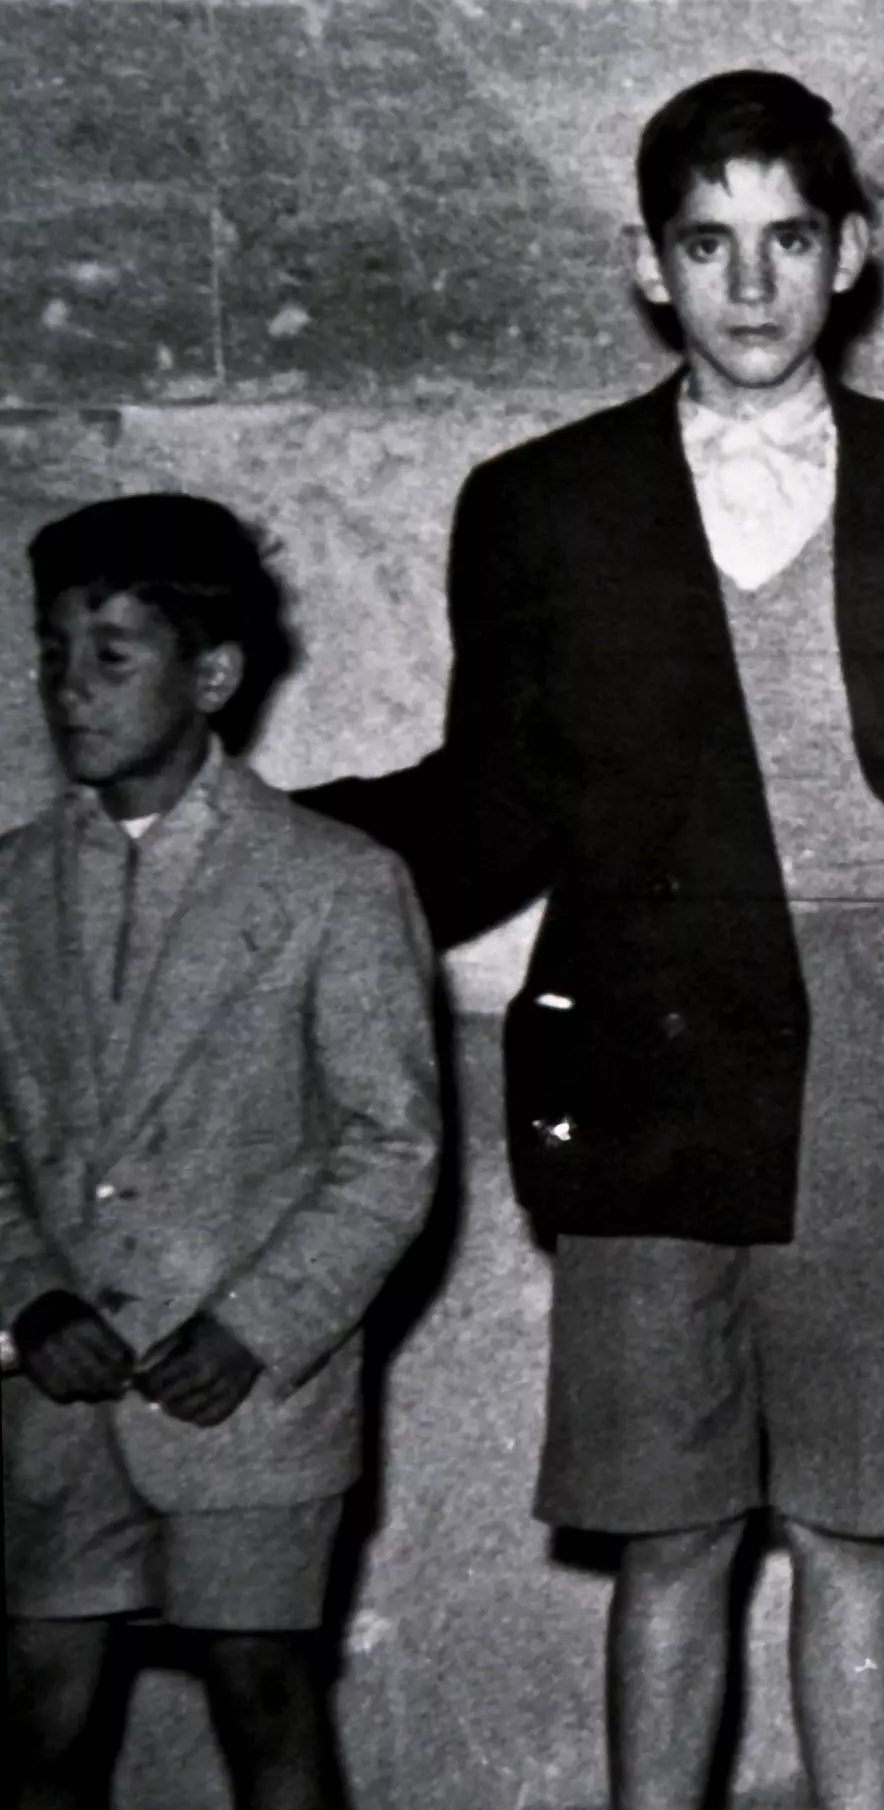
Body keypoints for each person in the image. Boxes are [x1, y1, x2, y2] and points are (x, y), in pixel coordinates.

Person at [303, 70, 884, 1810]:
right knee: (669, 1529)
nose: (752, 286)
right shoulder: (545, 505)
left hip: (879, 1048)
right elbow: (497, 798)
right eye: (708, 243)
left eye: (789, 240)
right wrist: (275, 851)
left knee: (853, 1521)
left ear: (854, 255)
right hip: (643, 1038)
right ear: (648, 266)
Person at [2, 496, 440, 1810]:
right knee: (38, 1706)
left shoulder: (334, 882)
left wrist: (255, 1321)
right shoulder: (10, 886)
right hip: (57, 1385)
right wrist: (26, 1298)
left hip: (248, 1395)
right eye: (52, 654)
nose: (72, 689)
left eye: (114, 655)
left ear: (214, 675)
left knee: (263, 1692)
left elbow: (391, 1143)